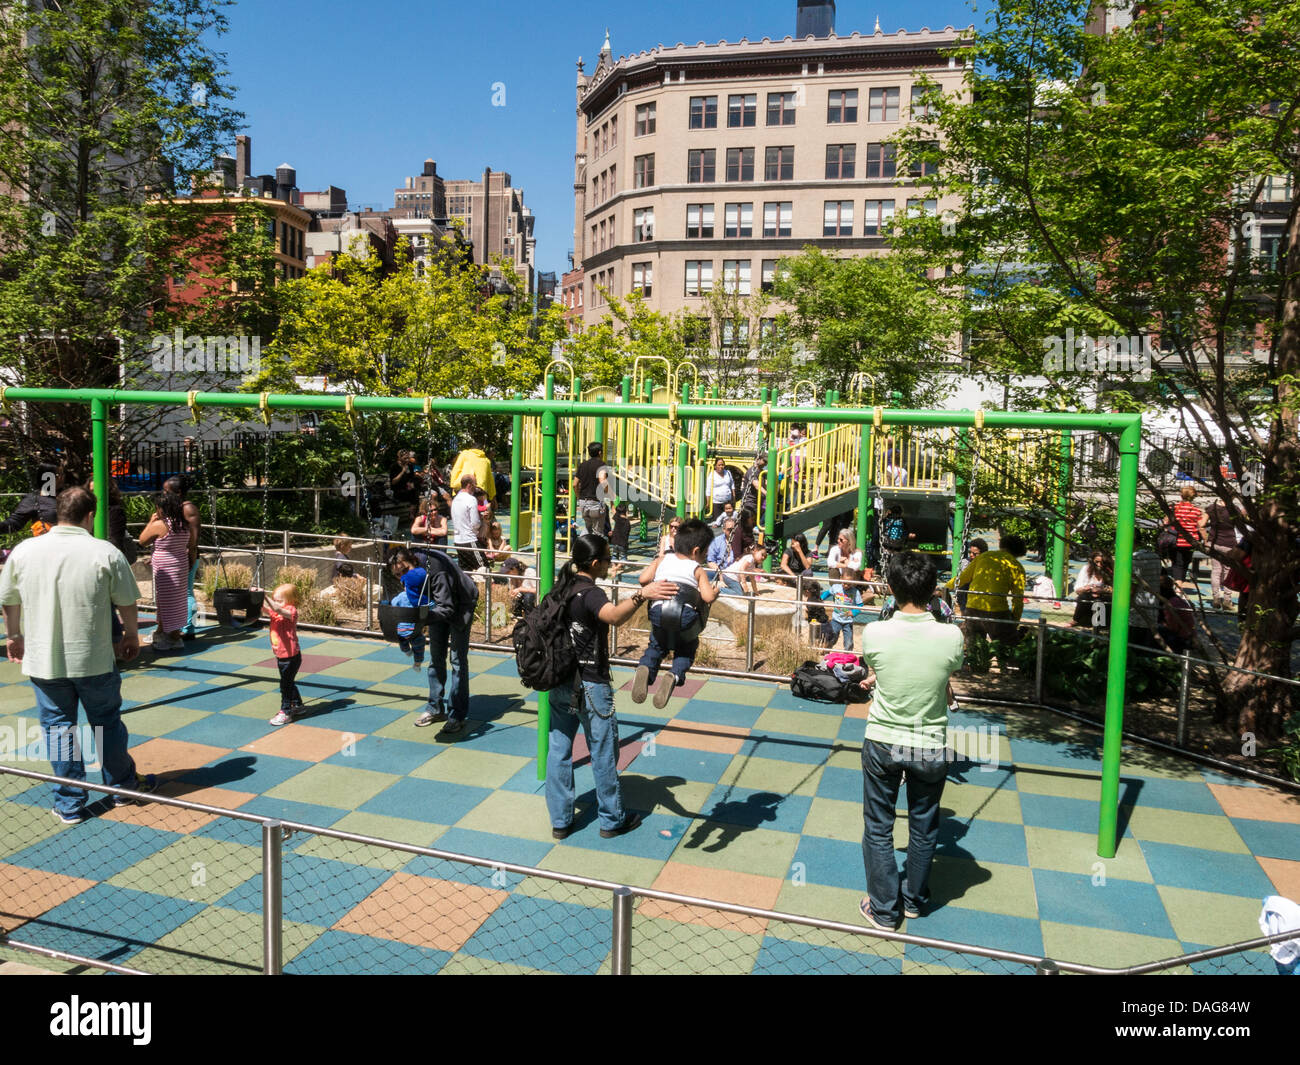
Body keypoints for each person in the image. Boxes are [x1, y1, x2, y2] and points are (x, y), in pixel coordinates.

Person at [0, 487, 156, 823]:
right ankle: (122, 786)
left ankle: (70, 802)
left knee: (58, 728)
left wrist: (13, 635)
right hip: (94, 658)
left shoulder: (25, 551)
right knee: (107, 722)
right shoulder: (104, 552)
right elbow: (127, 601)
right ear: (90, 515)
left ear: (58, 512)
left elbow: (8, 599)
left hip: (45, 660)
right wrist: (131, 634)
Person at [857, 550, 964, 931]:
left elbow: (886, 668)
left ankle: (885, 910)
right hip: (929, 742)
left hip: (885, 739)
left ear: (890, 589)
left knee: (878, 825)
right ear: (934, 589)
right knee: (923, 825)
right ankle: (915, 900)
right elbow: (939, 670)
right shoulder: (951, 635)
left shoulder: (875, 632)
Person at [543, 534, 676, 841]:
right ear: (594, 563)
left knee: (559, 751)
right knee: (603, 752)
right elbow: (613, 616)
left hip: (559, 681)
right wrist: (643, 594)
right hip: (591, 684)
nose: (610, 563)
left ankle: (561, 820)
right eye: (607, 559)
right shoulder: (590, 593)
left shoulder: (561, 587)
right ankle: (611, 819)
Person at [633, 519, 719, 708]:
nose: (704, 557)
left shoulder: (663, 559)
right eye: (705, 554)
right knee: (687, 646)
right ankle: (674, 674)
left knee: (656, 644)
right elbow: (708, 597)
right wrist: (715, 591)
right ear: (696, 551)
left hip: (658, 612)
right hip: (685, 616)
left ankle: (646, 667)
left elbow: (642, 579)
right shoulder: (697, 569)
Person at [413, 546, 478, 738]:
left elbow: (447, 607)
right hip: (439, 606)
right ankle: (435, 708)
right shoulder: (414, 568)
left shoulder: (437, 568)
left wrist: (423, 618)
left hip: (460, 606)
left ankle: (456, 715)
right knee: (436, 656)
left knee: (457, 660)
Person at [951, 533, 1027, 666]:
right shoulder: (1017, 566)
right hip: (996, 610)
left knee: (975, 648)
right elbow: (1017, 599)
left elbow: (962, 578)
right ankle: (1010, 670)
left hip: (972, 606)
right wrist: (1015, 621)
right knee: (1008, 647)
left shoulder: (984, 557)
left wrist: (944, 588)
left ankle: (975, 669)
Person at [138, 491, 195, 652]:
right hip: (180, 565)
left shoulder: (161, 525)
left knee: (166, 602)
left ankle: (173, 637)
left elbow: (142, 540)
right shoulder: (184, 524)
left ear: (162, 508)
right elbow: (190, 544)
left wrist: (150, 522)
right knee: (176, 601)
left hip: (165, 569)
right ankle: (162, 632)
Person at [256, 583, 304, 725]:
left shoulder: (291, 612)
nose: (276, 603)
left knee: (285, 684)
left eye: (280, 600)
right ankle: (298, 705)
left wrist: (264, 596)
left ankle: (286, 711)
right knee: (288, 681)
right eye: (275, 600)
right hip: (281, 655)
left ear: (291, 600)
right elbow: (265, 609)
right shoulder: (276, 611)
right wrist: (255, 598)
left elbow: (276, 608)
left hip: (291, 657)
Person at [162, 475, 202, 638]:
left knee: (186, 592)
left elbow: (194, 537)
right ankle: (179, 626)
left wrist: (190, 556)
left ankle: (189, 628)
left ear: (178, 492)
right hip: (175, 555)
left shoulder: (188, 508)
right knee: (177, 593)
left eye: (166, 491)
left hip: (186, 555)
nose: (163, 495)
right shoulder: (172, 507)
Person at [387, 548, 429, 671]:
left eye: (405, 570)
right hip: (409, 626)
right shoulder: (404, 594)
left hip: (419, 625)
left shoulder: (424, 577)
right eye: (397, 574)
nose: (403, 577)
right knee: (407, 640)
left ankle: (417, 661)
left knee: (419, 644)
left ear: (414, 563)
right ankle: (412, 656)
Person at [1199, 497, 1241, 610]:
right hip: (1230, 544)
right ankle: (1227, 600)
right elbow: (1241, 526)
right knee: (1228, 571)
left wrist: (1206, 540)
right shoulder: (1234, 509)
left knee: (1216, 571)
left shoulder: (1212, 508)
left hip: (1215, 543)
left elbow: (1201, 524)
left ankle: (1216, 599)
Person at [0, 462, 63, 536]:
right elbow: (15, 523)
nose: (62, 478)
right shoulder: (33, 499)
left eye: (62, 474)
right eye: (58, 475)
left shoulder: (68, 495)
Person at [1167, 485, 1203, 585]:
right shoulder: (1196, 511)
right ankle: (1180, 585)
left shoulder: (1174, 508)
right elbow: (1200, 526)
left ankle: (1178, 586)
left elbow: (1165, 521)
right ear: (1193, 496)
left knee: (1176, 564)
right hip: (1189, 541)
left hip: (1174, 539)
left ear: (1181, 495)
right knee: (1185, 563)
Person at [572, 441, 610, 536]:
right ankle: (596, 550)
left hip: (583, 502)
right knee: (598, 532)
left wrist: (578, 496)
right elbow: (602, 480)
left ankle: (579, 547)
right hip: (596, 502)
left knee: (588, 528)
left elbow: (575, 484)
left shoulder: (582, 465)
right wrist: (607, 491)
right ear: (600, 452)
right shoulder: (601, 465)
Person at [1069, 551, 1114, 629]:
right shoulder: (1086, 569)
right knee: (1084, 597)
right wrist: (1088, 588)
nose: (1099, 565)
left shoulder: (1109, 571)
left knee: (1101, 600)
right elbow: (1077, 590)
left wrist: (1102, 590)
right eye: (1097, 562)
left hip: (1103, 597)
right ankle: (1075, 620)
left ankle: (1100, 626)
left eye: (1102, 562)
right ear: (1092, 561)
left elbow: (1113, 589)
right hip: (1087, 595)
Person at [450, 474, 482, 572]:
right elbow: (475, 523)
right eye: (475, 484)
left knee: (465, 570)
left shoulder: (455, 499)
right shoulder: (471, 499)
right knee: (484, 568)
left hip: (458, 540)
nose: (476, 487)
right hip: (469, 539)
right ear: (469, 485)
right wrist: (481, 524)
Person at [1158, 575, 1195, 655]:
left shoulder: (1170, 603)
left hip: (1181, 634)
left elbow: (1173, 626)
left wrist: (1164, 624)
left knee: (1157, 628)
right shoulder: (1176, 598)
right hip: (1186, 631)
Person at [953, 537, 987, 612]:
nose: (971, 555)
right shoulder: (965, 562)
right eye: (970, 552)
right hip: (964, 595)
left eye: (975, 554)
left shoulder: (986, 565)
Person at [390, 449, 423, 518]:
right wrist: (402, 472)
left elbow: (411, 478)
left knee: (416, 491)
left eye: (408, 458)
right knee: (415, 494)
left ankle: (412, 515)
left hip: (408, 490)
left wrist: (411, 483)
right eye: (405, 458)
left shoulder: (409, 466)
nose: (407, 460)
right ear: (399, 457)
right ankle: (412, 515)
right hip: (398, 491)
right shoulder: (394, 466)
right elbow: (393, 482)